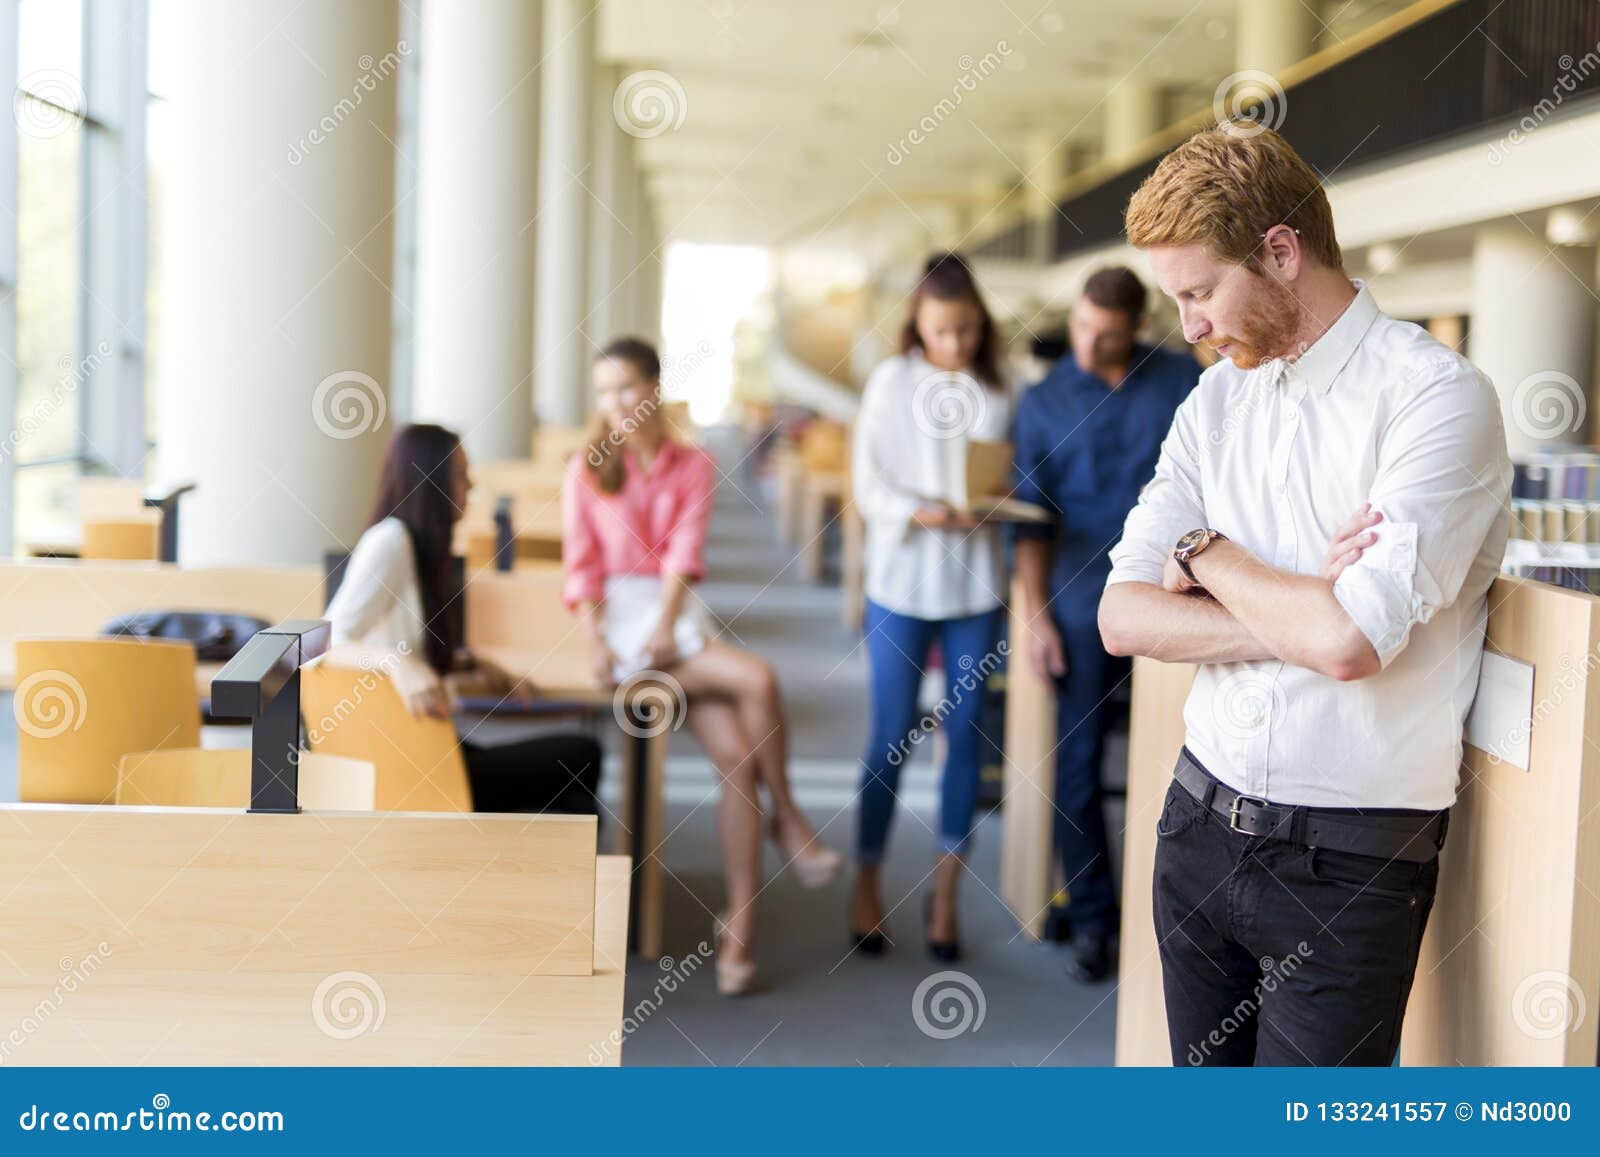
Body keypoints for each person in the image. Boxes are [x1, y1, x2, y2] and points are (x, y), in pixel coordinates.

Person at [1100, 124, 1510, 1065]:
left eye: (1200, 292)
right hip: (1196, 827)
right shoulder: (1216, 404)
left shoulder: (1437, 398)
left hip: (1348, 869)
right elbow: (1121, 616)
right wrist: (1296, 603)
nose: (1190, 326)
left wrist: (1203, 552)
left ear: (1280, 251)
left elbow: (1348, 641)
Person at [563, 336, 841, 997]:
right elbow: (583, 566)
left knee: (740, 758)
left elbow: (683, 557)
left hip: (672, 616)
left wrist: (665, 630)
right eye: (604, 391)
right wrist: (595, 640)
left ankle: (739, 924)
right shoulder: (588, 465)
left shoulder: (694, 464)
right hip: (618, 627)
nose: (615, 403)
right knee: (759, 678)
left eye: (626, 387)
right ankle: (792, 821)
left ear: (654, 390)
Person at [1011, 266, 1201, 982]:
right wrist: (1034, 617)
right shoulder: (1043, 400)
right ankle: (1093, 918)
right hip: (1081, 600)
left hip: (1179, 600)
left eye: (1108, 336)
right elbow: (1029, 524)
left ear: (1137, 330)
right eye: (1083, 329)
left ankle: (1183, 924)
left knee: (1195, 761)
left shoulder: (1182, 379)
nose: (1089, 346)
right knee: (1080, 760)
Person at [849, 252, 1012, 962]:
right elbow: (867, 485)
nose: (956, 344)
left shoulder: (1001, 389)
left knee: (967, 732)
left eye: (968, 331)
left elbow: (1013, 474)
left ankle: (946, 893)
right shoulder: (891, 381)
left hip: (975, 585)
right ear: (918, 323)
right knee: (890, 730)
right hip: (901, 582)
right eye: (943, 330)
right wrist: (919, 512)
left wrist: (993, 506)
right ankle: (866, 877)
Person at [322, 423, 602, 817]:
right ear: (429, 482)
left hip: (432, 744)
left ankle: (538, 872)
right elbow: (325, 642)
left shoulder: (417, 548)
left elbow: (412, 640)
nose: (470, 486)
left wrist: (471, 663)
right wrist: (396, 663)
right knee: (582, 755)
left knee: (573, 794)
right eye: (459, 475)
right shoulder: (389, 542)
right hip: (414, 762)